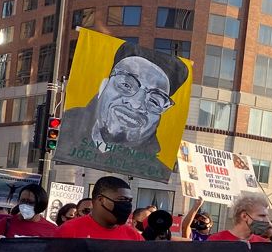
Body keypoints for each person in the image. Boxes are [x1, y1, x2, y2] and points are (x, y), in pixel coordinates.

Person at [56, 42, 190, 180]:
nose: (136, 104)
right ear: (102, 87)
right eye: (126, 85)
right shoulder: (62, 139)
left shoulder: (156, 171)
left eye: (155, 101)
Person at [55, 176, 143, 241]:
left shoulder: (134, 237)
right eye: (121, 200)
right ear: (101, 200)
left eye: (129, 201)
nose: (126, 205)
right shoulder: (68, 231)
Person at [208, 193, 272, 244]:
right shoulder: (215, 240)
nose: (269, 222)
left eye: (267, 216)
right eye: (262, 216)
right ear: (244, 216)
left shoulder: (263, 244)